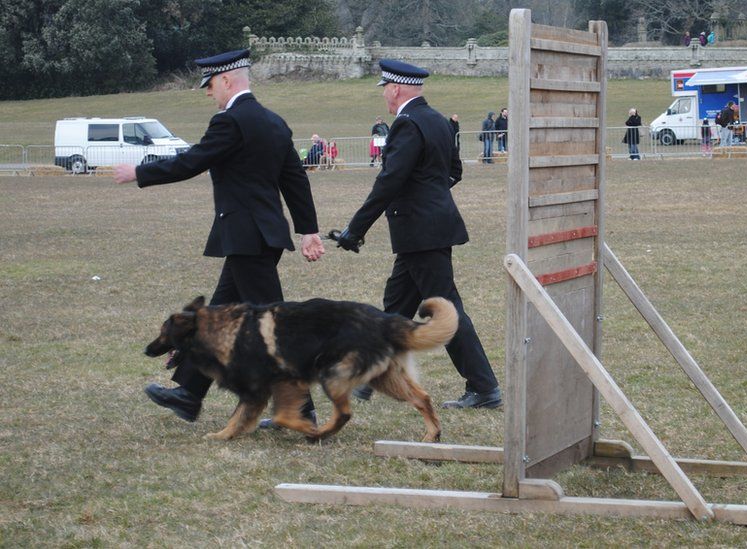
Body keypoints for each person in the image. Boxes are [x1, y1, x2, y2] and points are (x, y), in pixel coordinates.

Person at [112, 49, 326, 424]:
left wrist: (141, 172)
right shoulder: (274, 122)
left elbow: (192, 161)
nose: (209, 93)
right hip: (261, 237)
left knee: (271, 325)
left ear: (227, 80)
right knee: (215, 319)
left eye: (210, 85)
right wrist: (307, 229)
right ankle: (188, 393)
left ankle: (301, 408)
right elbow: (295, 179)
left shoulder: (230, 122)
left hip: (245, 237)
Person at [334, 59, 502, 410]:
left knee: (446, 309)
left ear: (395, 89)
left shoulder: (407, 124)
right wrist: (432, 195)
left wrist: (355, 229)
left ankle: (484, 387)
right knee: (395, 304)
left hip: (420, 231)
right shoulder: (438, 120)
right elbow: (453, 171)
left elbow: (390, 181)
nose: (385, 97)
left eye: (385, 90)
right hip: (427, 229)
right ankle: (368, 376)